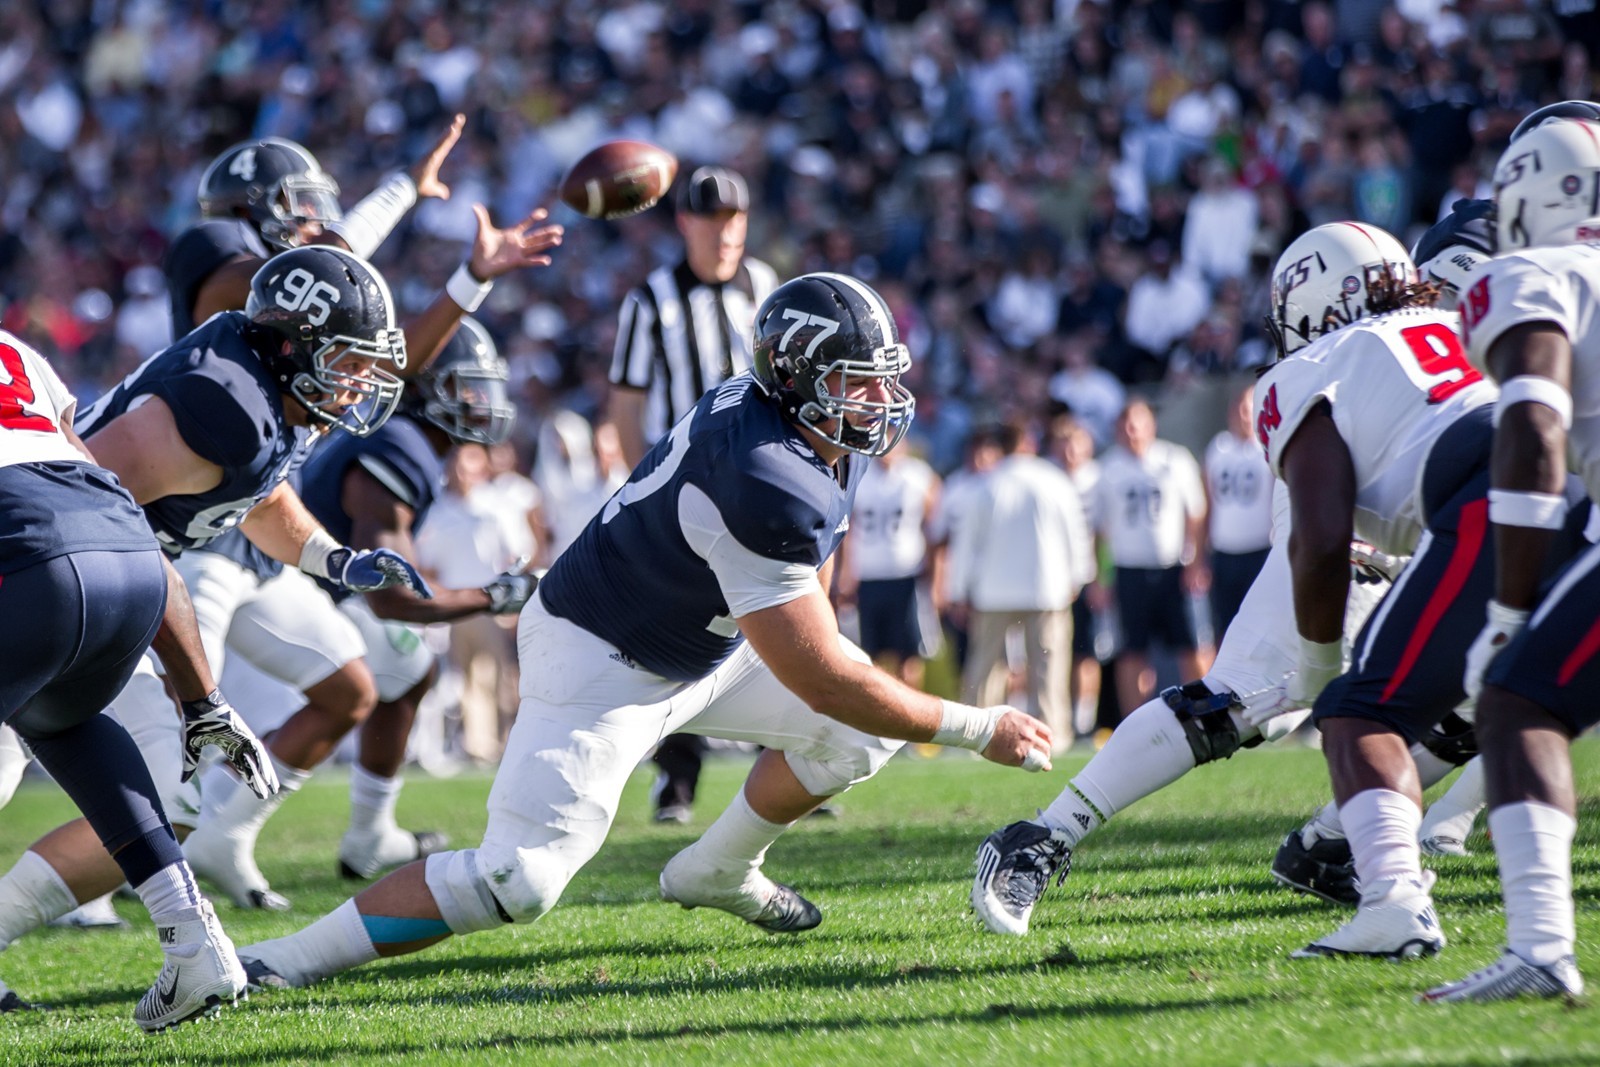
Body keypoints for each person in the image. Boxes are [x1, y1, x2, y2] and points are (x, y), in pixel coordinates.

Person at [238, 273, 1052, 990]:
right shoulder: (765, 473)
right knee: (517, 880)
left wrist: (825, 645)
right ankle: (284, 958)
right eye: (855, 383)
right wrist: (979, 727)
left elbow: (817, 589)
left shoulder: (813, 431)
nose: (878, 402)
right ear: (800, 381)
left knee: (854, 731)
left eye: (881, 382)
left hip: (704, 643)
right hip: (601, 660)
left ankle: (718, 868)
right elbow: (824, 676)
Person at [0, 246, 432, 954]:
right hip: (68, 577)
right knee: (125, 788)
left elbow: (252, 495)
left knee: (164, 795)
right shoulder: (218, 400)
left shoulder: (263, 395)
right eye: (349, 361)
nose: (360, 383)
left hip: (110, 584)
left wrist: (336, 559)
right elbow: (86, 504)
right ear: (294, 345)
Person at [172, 170, 562, 909]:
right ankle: (94, 884)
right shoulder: (229, 282)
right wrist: (496, 593)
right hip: (196, 544)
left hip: (262, 555)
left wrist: (468, 270)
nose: (368, 374)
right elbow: (393, 600)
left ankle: (247, 838)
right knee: (169, 740)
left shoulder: (348, 390)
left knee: (357, 687)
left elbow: (385, 349)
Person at [1252, 222, 1583, 962]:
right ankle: (1539, 949)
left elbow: (1322, 533)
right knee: (1524, 702)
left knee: (1359, 708)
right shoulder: (1460, 315)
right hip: (1575, 483)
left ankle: (1394, 900)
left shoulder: (1309, 365)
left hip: (1492, 487)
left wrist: (1315, 665)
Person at [0, 328, 277, 1030]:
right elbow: (97, 490)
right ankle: (191, 938)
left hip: (26, 551)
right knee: (64, 718)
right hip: (126, 550)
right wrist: (203, 698)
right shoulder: (16, 348)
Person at [1422, 118, 1600, 1003]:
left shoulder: (1531, 270)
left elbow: (1532, 421)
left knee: (1518, 699)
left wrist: (1508, 609)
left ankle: (1540, 947)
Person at [287, 317, 538, 878]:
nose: (480, 401)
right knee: (343, 695)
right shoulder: (401, 443)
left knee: (410, 669)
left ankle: (370, 835)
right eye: (466, 386)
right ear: (426, 385)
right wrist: (497, 595)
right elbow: (392, 598)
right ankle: (217, 835)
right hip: (282, 590)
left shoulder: (399, 436)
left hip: (316, 589)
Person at [606, 164, 780, 823]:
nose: (726, 232)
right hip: (681, 494)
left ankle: (785, 764)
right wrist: (643, 490)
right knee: (678, 633)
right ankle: (677, 776)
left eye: (735, 218)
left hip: (758, 485)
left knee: (775, 617)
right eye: (712, 219)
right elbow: (626, 405)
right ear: (684, 223)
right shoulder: (649, 301)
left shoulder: (763, 285)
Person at [947, 418, 1094, 751]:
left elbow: (967, 544)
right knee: (1048, 669)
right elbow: (1077, 534)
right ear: (1029, 443)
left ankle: (975, 738)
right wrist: (1078, 576)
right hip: (1047, 589)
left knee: (985, 669)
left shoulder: (985, 485)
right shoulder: (1055, 481)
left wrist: (958, 591)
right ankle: (1053, 736)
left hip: (992, 592)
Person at [1090, 399, 1210, 717]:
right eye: (1126, 424)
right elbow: (1099, 531)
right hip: (1129, 569)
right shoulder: (1107, 469)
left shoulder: (1174, 459)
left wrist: (1196, 563)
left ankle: (1205, 712)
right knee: (1132, 650)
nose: (1132, 431)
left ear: (1151, 424)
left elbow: (1195, 515)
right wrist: (1101, 577)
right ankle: (1134, 718)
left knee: (1192, 644)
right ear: (1117, 429)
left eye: (1138, 423)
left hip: (1173, 567)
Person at [836, 441, 941, 690]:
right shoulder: (860, 473)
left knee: (909, 656)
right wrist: (845, 575)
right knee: (869, 655)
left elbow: (934, 528)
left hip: (907, 575)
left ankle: (911, 719)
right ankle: (878, 718)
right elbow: (847, 531)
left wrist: (936, 577)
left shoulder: (919, 475)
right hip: (869, 575)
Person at [1203, 384, 1274, 639]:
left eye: (1249, 409)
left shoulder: (1268, 448)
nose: (1244, 416)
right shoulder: (1217, 448)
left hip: (1260, 551)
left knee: (1262, 627)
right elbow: (1207, 503)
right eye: (1240, 409)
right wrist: (1201, 556)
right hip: (1224, 553)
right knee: (1225, 627)